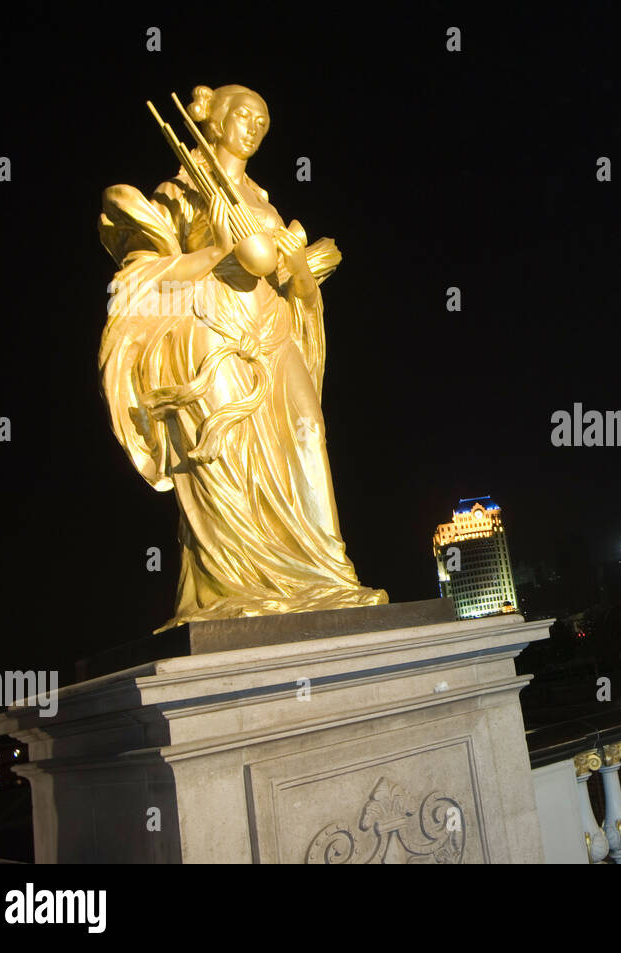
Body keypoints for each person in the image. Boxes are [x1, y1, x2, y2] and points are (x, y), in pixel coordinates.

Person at [99, 84, 387, 632]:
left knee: (308, 431)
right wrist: (222, 253)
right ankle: (238, 581)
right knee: (223, 452)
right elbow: (142, 275)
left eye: (264, 120)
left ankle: (325, 574)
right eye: (244, 114)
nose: (254, 126)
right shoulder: (179, 192)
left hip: (274, 331)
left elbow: (295, 290)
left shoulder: (264, 202)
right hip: (215, 332)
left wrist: (300, 266)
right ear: (213, 118)